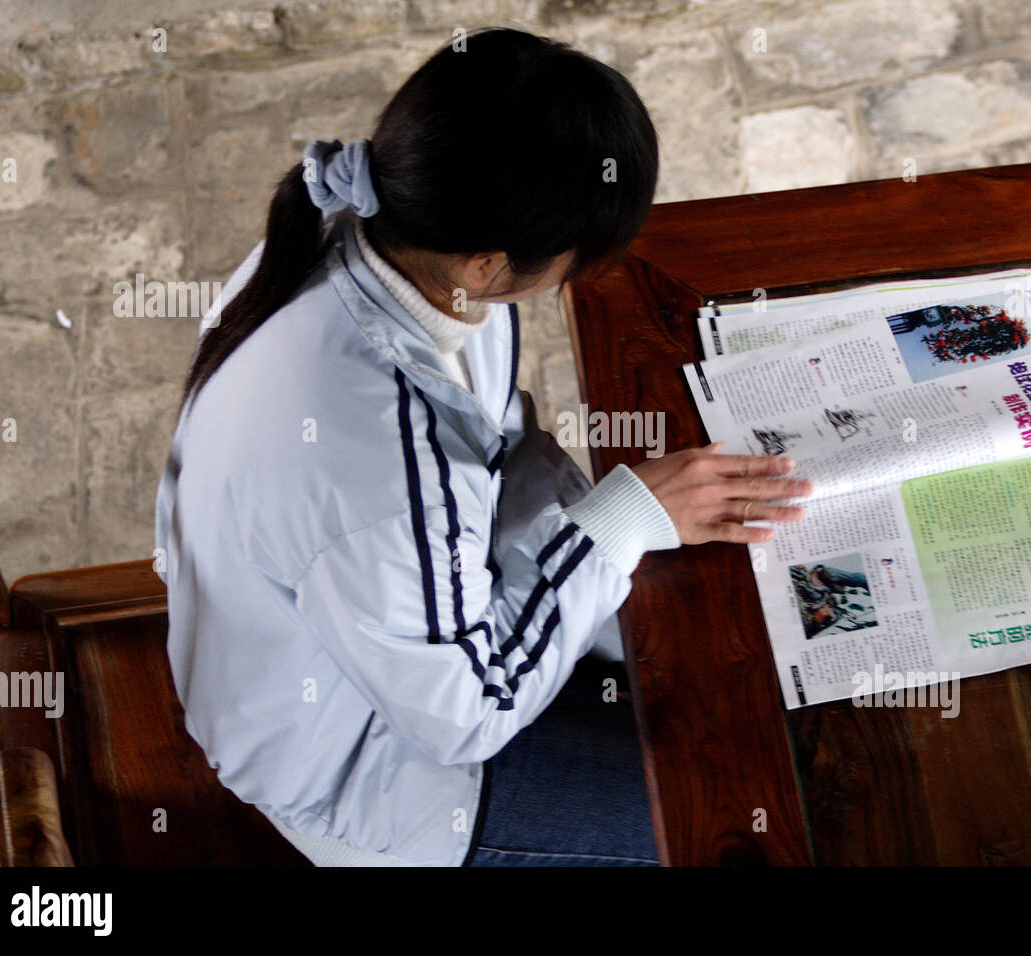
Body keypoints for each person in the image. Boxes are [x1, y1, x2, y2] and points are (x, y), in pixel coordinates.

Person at [155, 27, 810, 867]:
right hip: (378, 774)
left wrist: (622, 537)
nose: (575, 279)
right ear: (486, 263)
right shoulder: (375, 449)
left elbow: (495, 454)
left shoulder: (377, 225)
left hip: (397, 639)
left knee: (735, 683)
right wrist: (619, 524)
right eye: (573, 264)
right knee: (757, 814)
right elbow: (466, 713)